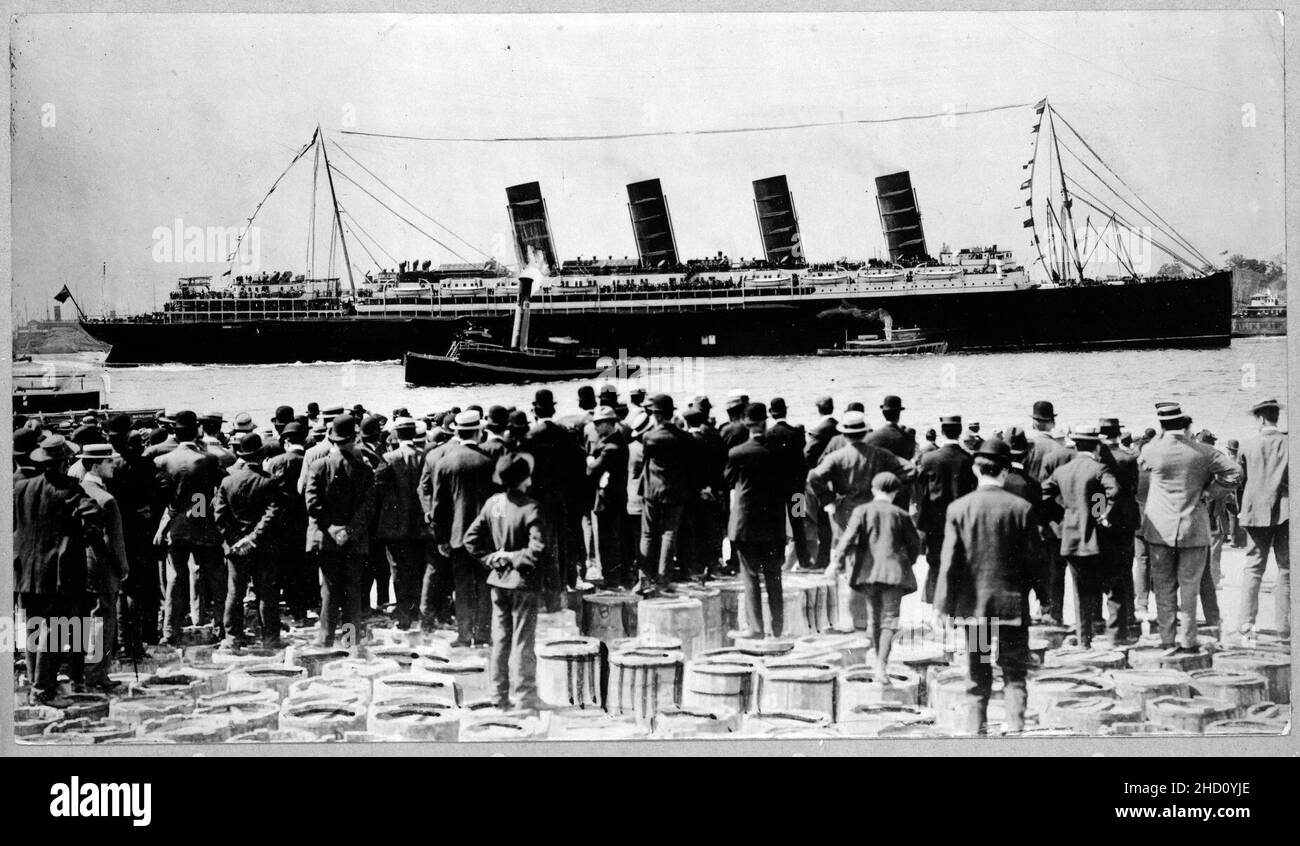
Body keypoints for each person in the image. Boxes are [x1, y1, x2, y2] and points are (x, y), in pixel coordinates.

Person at [934, 437, 1037, 735]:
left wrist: (941, 605)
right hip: (1011, 609)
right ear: (1005, 472)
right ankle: (1016, 730)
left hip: (976, 611)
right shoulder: (1022, 508)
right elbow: (1035, 562)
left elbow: (949, 562)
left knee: (977, 670)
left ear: (977, 471)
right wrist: (1044, 597)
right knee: (1015, 672)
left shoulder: (958, 509)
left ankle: (975, 731)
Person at [1138, 402, 1240, 653]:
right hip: (1193, 528)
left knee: (1163, 587)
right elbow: (1235, 473)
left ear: (1161, 424)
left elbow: (1139, 475)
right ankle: (1188, 640)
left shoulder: (1151, 450)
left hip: (1159, 527)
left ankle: (1166, 639)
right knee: (1190, 588)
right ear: (1184, 423)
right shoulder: (1203, 452)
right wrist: (1210, 493)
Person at [14, 435, 101, 706]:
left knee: (32, 627)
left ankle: (33, 683)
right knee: (55, 628)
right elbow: (93, 514)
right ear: (64, 462)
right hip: (57, 572)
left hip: (24, 568)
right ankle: (43, 691)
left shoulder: (20, 488)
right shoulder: (71, 489)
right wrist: (82, 535)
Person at [464, 453, 551, 711]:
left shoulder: (494, 503)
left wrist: (492, 558)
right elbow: (538, 550)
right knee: (523, 641)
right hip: (523, 583)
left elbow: (471, 540)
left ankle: (498, 696)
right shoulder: (531, 507)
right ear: (525, 478)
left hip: (498, 582)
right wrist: (513, 557)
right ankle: (525, 696)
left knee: (500, 640)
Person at [828, 471, 920, 679]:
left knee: (875, 619)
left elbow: (848, 538)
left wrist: (836, 563)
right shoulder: (901, 514)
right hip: (894, 573)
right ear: (895, 492)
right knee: (890, 619)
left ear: (873, 490)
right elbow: (914, 544)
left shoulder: (861, 511)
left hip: (868, 573)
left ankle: (878, 658)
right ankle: (881, 664)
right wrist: (907, 563)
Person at [1042, 425, 1121, 647]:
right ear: (1096, 446)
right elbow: (1112, 491)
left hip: (1071, 538)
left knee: (1081, 591)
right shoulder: (1099, 468)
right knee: (1114, 586)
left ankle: (1084, 640)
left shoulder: (1062, 471)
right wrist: (1101, 514)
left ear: (1076, 446)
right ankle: (1115, 638)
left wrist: (1064, 516)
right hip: (1098, 538)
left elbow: (1044, 496)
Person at [154, 410, 227, 646]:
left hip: (176, 527)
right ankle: (221, 626)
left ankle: (169, 631)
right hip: (204, 525)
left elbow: (161, 498)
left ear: (174, 432)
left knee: (175, 579)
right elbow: (221, 487)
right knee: (216, 578)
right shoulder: (208, 460)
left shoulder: (163, 461)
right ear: (197, 430)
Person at [305, 415, 376, 648]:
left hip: (327, 539)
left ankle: (325, 638)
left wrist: (333, 529)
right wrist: (350, 530)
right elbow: (368, 507)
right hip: (354, 540)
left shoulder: (319, 466)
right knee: (353, 592)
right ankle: (350, 640)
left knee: (329, 590)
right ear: (353, 438)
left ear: (331, 438)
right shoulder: (365, 469)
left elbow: (313, 504)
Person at [213, 433, 285, 649]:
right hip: (263, 547)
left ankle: (233, 638)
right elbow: (272, 514)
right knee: (266, 594)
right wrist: (252, 539)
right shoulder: (269, 481)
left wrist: (235, 541)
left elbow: (219, 515)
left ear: (240, 455)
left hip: (235, 550)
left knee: (234, 594)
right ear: (261, 454)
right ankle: (270, 639)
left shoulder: (227, 481)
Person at [431, 410, 496, 646]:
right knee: (485, 586)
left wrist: (440, 537)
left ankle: (464, 634)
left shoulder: (445, 462)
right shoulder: (488, 461)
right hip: (485, 537)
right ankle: (483, 635)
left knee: (462, 586)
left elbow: (439, 505)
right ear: (478, 432)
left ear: (457, 432)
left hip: (457, 536)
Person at [724, 403, 788, 638]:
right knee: (774, 576)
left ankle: (756, 629)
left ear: (747, 424)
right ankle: (778, 627)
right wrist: (799, 519)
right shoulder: (780, 452)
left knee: (750, 576)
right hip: (774, 525)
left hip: (746, 524)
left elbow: (728, 481)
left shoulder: (737, 453)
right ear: (765, 422)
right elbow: (794, 488)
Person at [1236, 398, 1290, 643]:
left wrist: (1242, 509)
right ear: (1276, 417)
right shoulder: (1290, 443)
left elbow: (1239, 482)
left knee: (1253, 568)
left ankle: (1246, 623)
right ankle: (1284, 626)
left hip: (1255, 512)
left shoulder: (1247, 445)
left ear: (1259, 418)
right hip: (1286, 512)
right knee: (1286, 570)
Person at [78, 444, 130, 691]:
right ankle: (97, 673)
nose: (114, 465)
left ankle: (82, 669)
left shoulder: (77, 488)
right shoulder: (106, 499)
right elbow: (114, 539)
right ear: (96, 465)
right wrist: (123, 566)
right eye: (109, 462)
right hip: (102, 564)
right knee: (103, 617)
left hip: (79, 562)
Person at [637, 394, 698, 595]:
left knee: (648, 534)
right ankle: (664, 578)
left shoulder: (649, 437)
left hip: (652, 490)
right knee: (669, 533)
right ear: (671, 414)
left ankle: (644, 578)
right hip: (676, 491)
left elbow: (645, 459)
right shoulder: (685, 438)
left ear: (656, 415)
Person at [374, 418, 428, 630]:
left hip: (394, 525)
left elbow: (378, 489)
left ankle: (404, 613)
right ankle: (417, 609)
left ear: (396, 435)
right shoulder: (425, 457)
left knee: (398, 569)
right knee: (418, 566)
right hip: (420, 523)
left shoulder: (388, 458)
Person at [915, 414, 975, 605]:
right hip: (962, 522)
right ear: (959, 432)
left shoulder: (929, 459)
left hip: (935, 522)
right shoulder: (969, 460)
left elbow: (920, 491)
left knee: (935, 564)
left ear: (942, 431)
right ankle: (955, 606)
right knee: (959, 563)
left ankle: (935, 607)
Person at [265, 421, 311, 626]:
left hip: (281, 524)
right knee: (304, 567)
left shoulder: (276, 462)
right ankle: (303, 609)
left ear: (285, 441)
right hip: (306, 522)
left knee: (283, 568)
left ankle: (287, 611)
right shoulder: (311, 460)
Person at [586, 405, 629, 588]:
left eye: (598, 423)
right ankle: (617, 575)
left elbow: (592, 470)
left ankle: (611, 578)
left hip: (607, 498)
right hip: (615, 496)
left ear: (608, 423)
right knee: (615, 537)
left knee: (607, 539)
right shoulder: (617, 440)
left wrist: (589, 461)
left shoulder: (610, 447)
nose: (595, 427)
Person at [766, 398, 809, 571]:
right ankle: (804, 559)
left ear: (771, 413)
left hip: (776, 489)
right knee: (799, 523)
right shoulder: (797, 433)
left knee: (777, 523)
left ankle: (778, 559)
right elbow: (802, 461)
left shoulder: (769, 434)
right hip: (797, 488)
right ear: (786, 411)